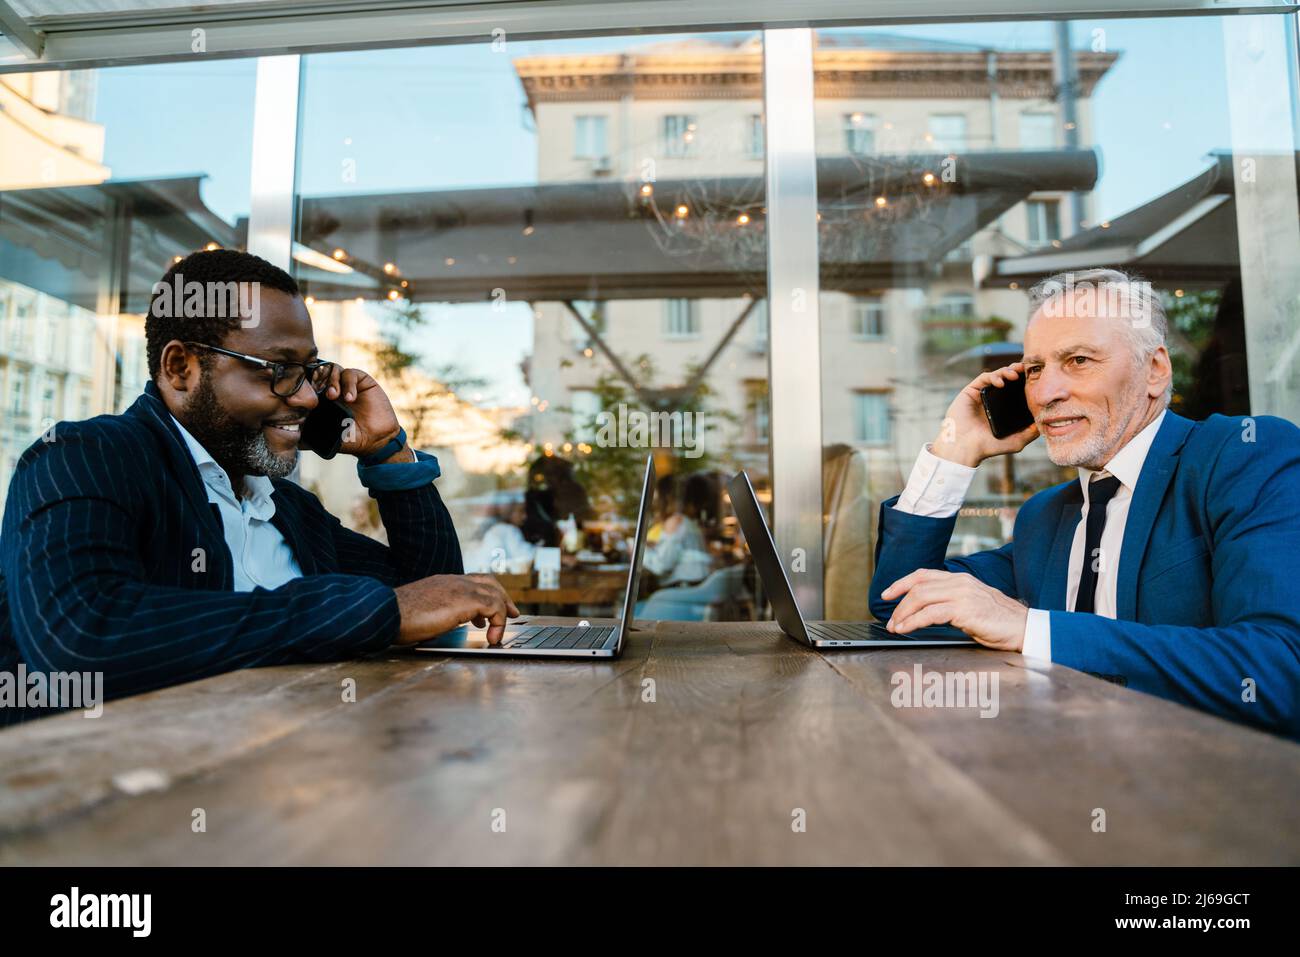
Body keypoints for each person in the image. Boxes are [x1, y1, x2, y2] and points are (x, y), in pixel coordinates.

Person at [0, 249, 517, 723]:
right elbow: (84, 636)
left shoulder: (287, 508)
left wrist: (387, 450)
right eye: (279, 370)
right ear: (181, 368)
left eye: (309, 371)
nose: (310, 398)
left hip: (274, 771)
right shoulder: (83, 456)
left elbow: (430, 593)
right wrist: (370, 612)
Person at [868, 268, 1300, 739]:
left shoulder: (1242, 456)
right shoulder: (1047, 516)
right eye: (1034, 369)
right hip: (1067, 775)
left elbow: (1278, 669)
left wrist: (1031, 629)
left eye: (1078, 360)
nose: (1047, 393)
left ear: (1154, 370)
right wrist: (955, 450)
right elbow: (901, 603)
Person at [643, 473, 713, 586]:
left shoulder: (675, 521)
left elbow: (661, 567)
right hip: (696, 588)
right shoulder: (689, 523)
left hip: (681, 590)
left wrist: (640, 552)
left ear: (667, 497)